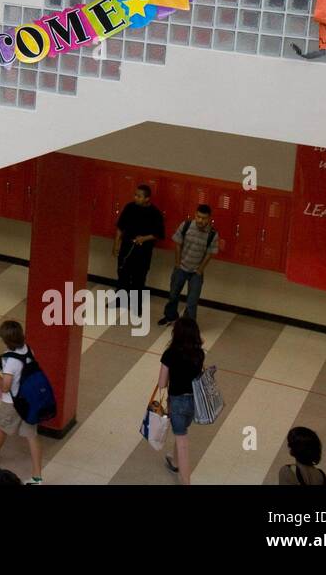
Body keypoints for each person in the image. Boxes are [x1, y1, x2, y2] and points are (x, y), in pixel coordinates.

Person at [0, 319, 44, 484]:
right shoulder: (29, 350)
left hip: (12, 403)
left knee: (1, 426)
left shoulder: (10, 361)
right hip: (29, 400)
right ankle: (37, 476)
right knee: (32, 436)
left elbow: (5, 387)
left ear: (6, 340)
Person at [157, 316, 205, 484]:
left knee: (182, 441)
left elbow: (162, 384)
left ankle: (186, 481)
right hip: (193, 403)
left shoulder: (170, 354)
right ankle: (174, 462)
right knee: (182, 431)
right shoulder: (199, 354)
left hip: (176, 402)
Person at [159, 204, 220, 325]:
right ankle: (170, 316)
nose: (200, 220)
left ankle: (189, 325)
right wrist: (177, 263)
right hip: (181, 267)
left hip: (196, 273)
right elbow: (178, 244)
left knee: (192, 302)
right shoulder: (186, 225)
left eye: (204, 218)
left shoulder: (212, 234)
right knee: (173, 295)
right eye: (198, 217)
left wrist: (200, 270)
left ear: (209, 219)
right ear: (195, 215)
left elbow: (210, 254)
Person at [114, 184, 165, 313]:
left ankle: (136, 305)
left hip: (143, 252)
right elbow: (121, 227)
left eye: (139, 196)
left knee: (139, 278)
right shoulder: (130, 207)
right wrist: (116, 244)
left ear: (147, 198)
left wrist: (144, 238)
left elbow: (158, 234)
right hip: (127, 247)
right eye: (135, 195)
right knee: (122, 275)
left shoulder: (155, 213)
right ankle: (120, 300)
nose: (135, 198)